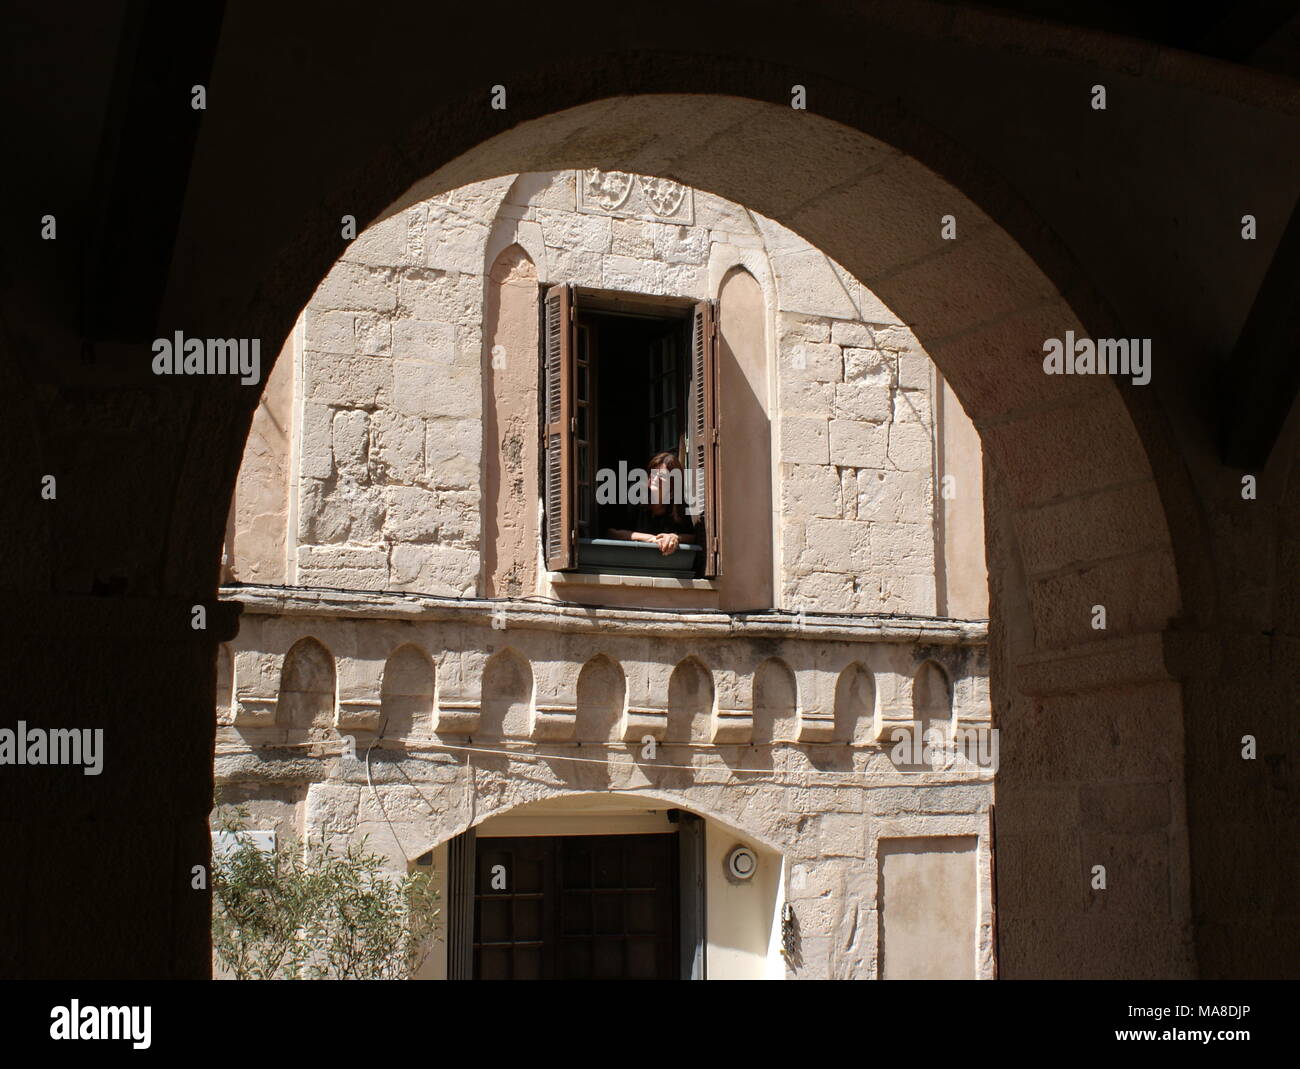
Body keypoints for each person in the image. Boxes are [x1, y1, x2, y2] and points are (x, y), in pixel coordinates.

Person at [607, 451, 700, 556]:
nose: (655, 478)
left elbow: (692, 536)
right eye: (653, 473)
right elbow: (612, 532)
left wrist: (675, 537)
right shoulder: (635, 494)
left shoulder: (679, 504)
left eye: (662, 476)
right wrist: (652, 539)